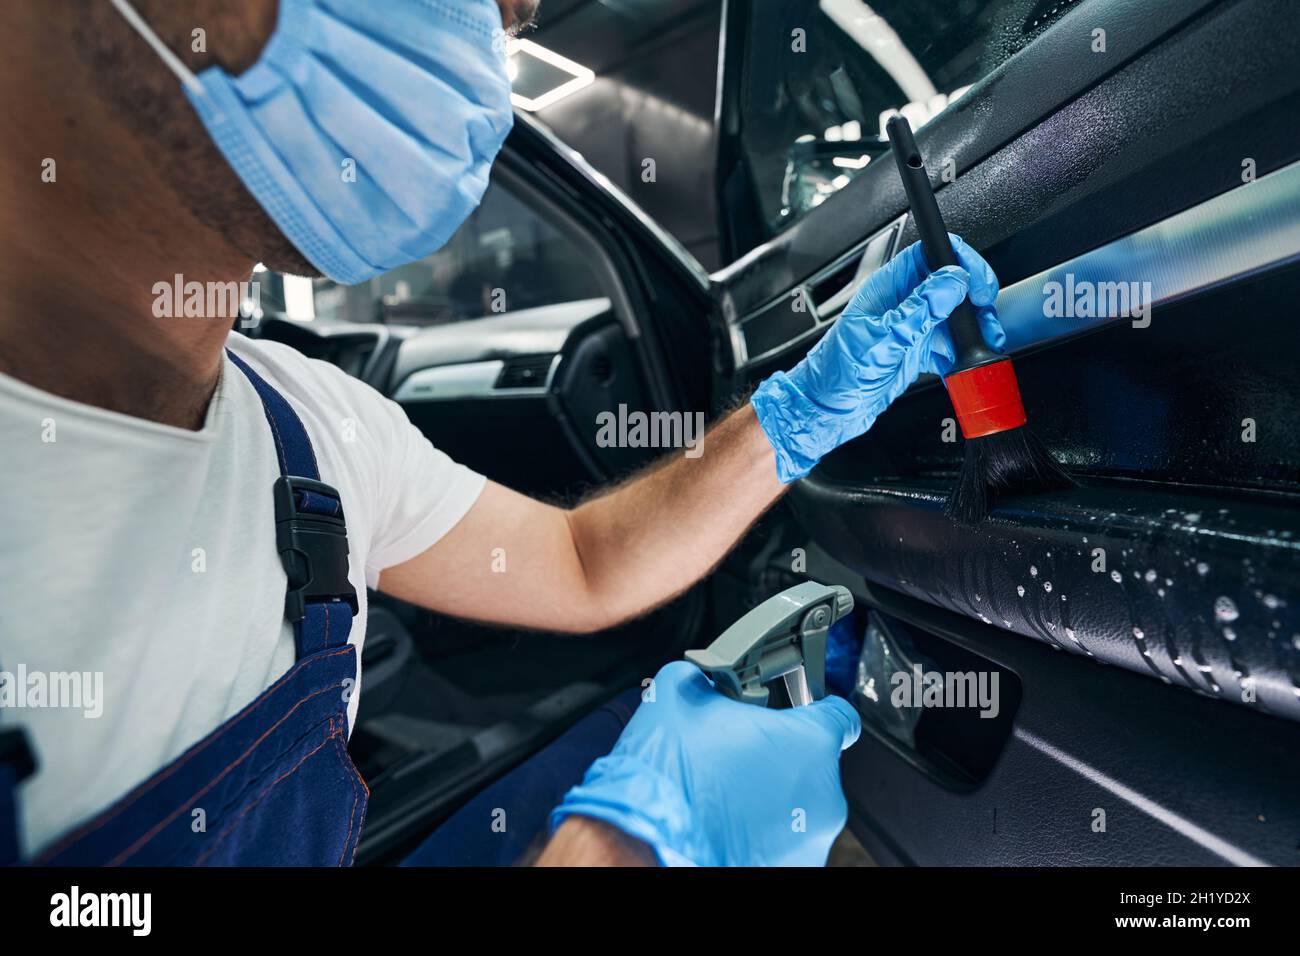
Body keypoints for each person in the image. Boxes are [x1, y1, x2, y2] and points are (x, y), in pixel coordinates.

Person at [0, 0, 1004, 866]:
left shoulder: (310, 426)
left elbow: (580, 561)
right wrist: (614, 848)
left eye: (511, 17)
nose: (492, 29)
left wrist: (796, 413)